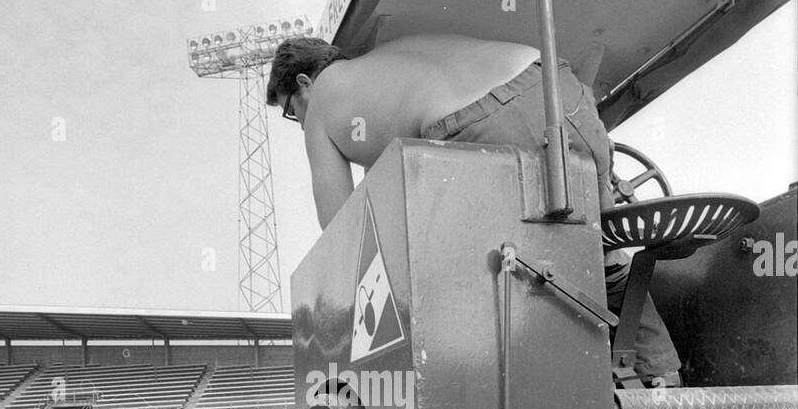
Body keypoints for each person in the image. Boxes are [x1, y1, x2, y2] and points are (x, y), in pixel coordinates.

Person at [267, 34, 680, 383]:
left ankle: (559, 399)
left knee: (498, 277)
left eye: (291, 110)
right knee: (602, 258)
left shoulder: (322, 101)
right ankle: (661, 375)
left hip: (488, 124)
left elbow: (339, 226)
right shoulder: (392, 57)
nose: (299, 122)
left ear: (305, 82)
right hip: (559, 89)